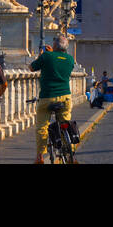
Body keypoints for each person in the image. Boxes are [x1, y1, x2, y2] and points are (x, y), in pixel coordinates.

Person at [31, 33, 76, 163]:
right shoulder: (70, 59)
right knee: (65, 124)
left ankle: (39, 156)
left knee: (42, 127)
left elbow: (32, 67)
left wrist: (42, 55)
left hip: (47, 97)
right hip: (65, 97)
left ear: (55, 44)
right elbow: (61, 66)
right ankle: (69, 153)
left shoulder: (46, 56)